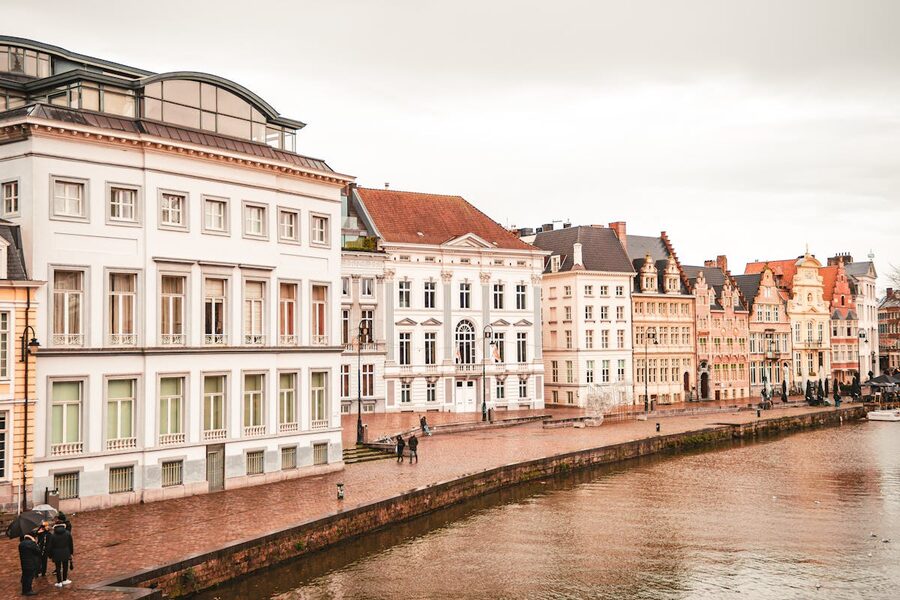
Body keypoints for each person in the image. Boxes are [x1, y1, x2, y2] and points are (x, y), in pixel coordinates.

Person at [48, 521, 74, 587]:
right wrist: (71, 553)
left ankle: (59, 582)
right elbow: (70, 544)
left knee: (58, 568)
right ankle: (64, 580)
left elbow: (50, 546)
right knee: (65, 566)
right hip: (66, 552)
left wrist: (50, 555)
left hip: (56, 553)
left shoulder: (53, 535)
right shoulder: (67, 533)